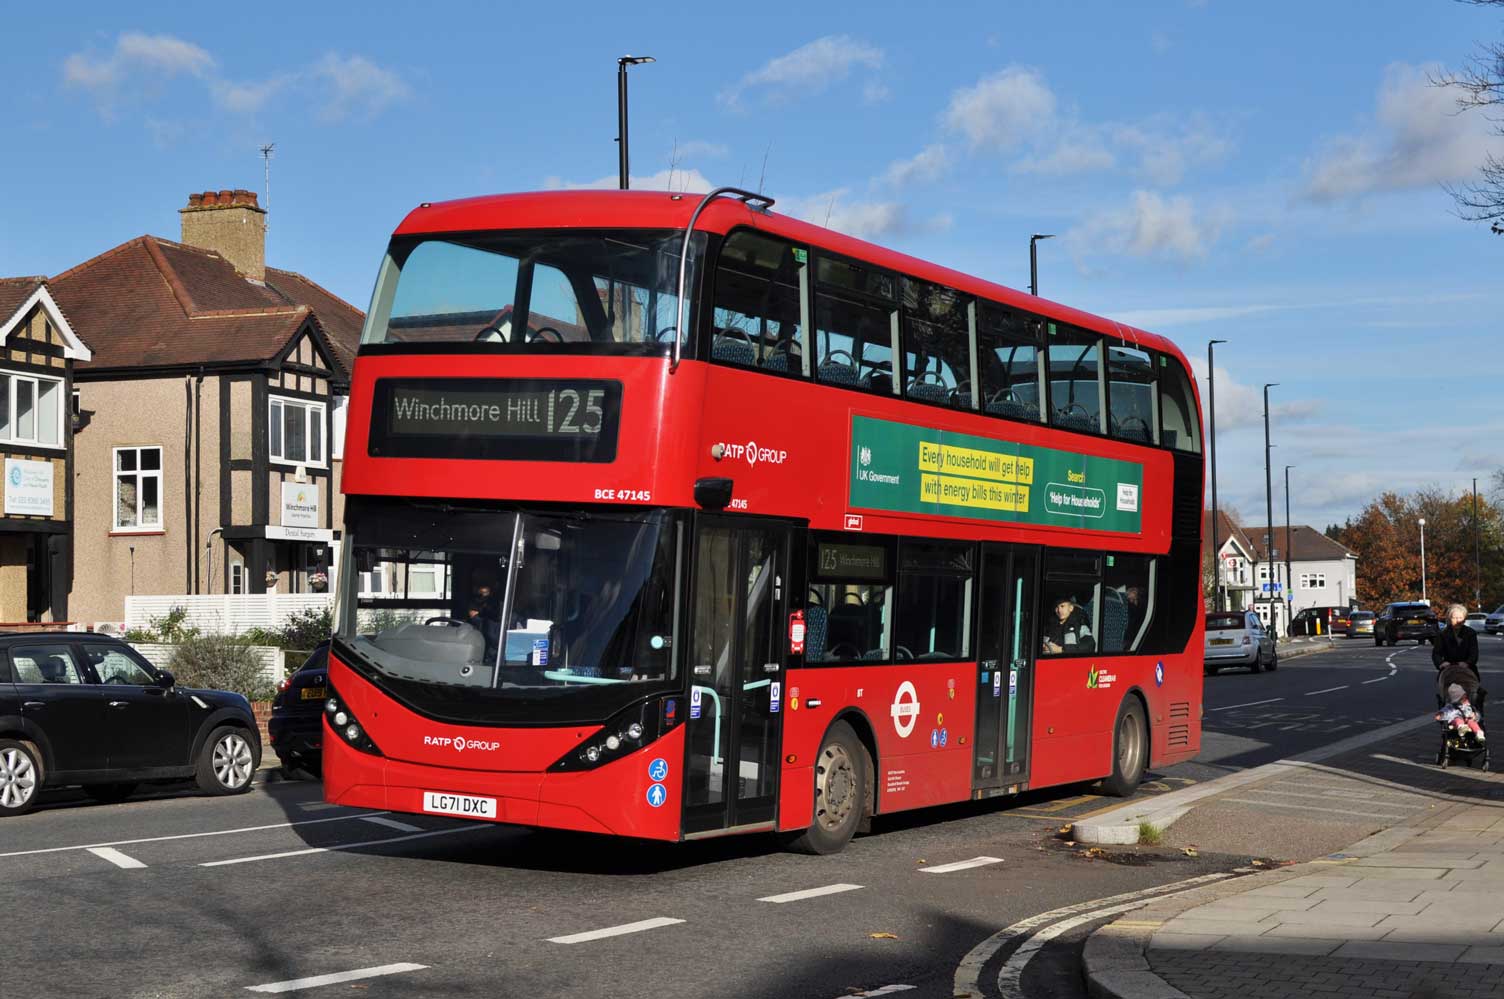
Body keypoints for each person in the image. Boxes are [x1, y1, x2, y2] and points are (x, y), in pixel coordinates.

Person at [1434, 602, 1481, 703]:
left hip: (1467, 667)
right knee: (1448, 689)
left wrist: (1468, 662)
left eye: (1460, 618)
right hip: (1449, 667)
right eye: (1454, 618)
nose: (1457, 620)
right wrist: (1441, 663)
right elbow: (1436, 653)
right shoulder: (1442, 634)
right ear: (1449, 619)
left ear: (1464, 619)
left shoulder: (1470, 633)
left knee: (1473, 691)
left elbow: (1474, 652)